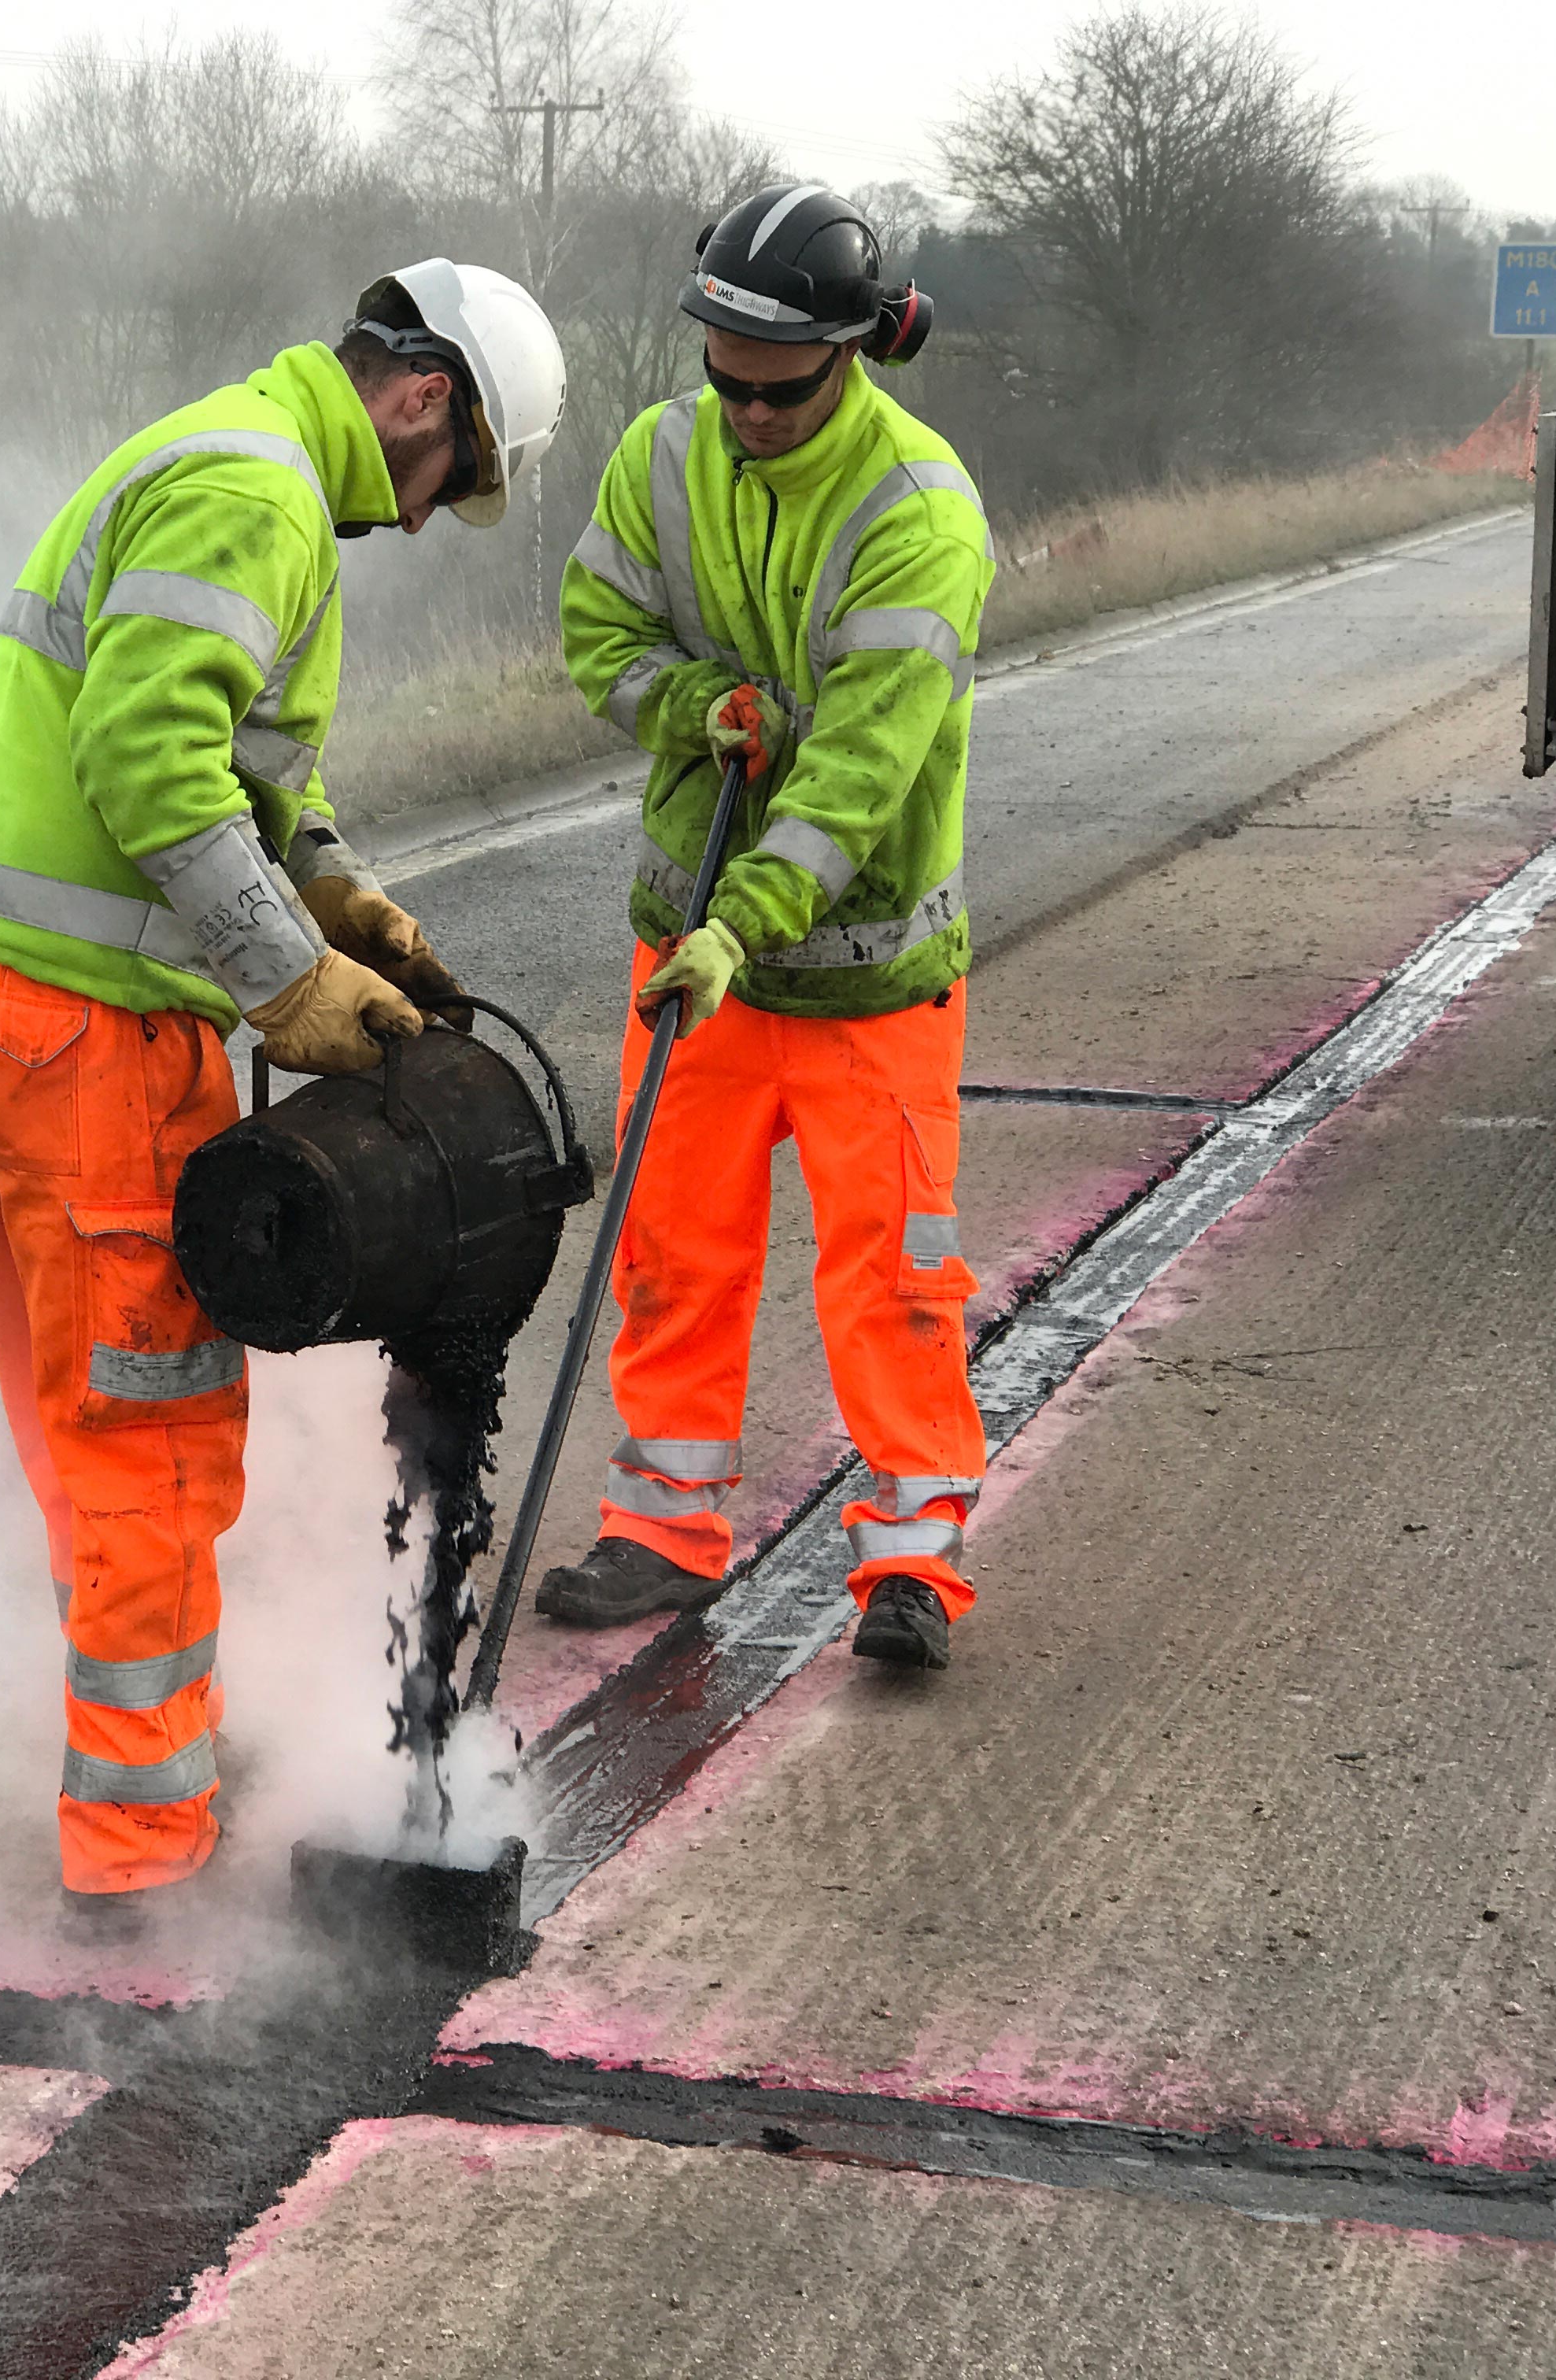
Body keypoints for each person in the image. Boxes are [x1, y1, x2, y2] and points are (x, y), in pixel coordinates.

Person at [0, 261, 567, 1931]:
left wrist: (336, 893)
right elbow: (149, 766)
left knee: (87, 1416)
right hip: (86, 1035)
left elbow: (253, 769)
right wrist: (283, 980)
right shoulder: (260, 494)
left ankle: (146, 1743)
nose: (429, 520)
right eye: (453, 480)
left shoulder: (230, 451)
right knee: (157, 1433)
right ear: (424, 400)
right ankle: (137, 1848)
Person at [541, 183, 992, 1674]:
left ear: (855, 354)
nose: (743, 412)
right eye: (723, 380)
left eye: (777, 392)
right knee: (671, 1250)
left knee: (892, 1284)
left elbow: (858, 775)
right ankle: (664, 1530)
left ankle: (911, 1566)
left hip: (865, 982)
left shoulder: (919, 514)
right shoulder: (659, 459)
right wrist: (691, 703)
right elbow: (598, 637)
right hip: (690, 963)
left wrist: (745, 926)